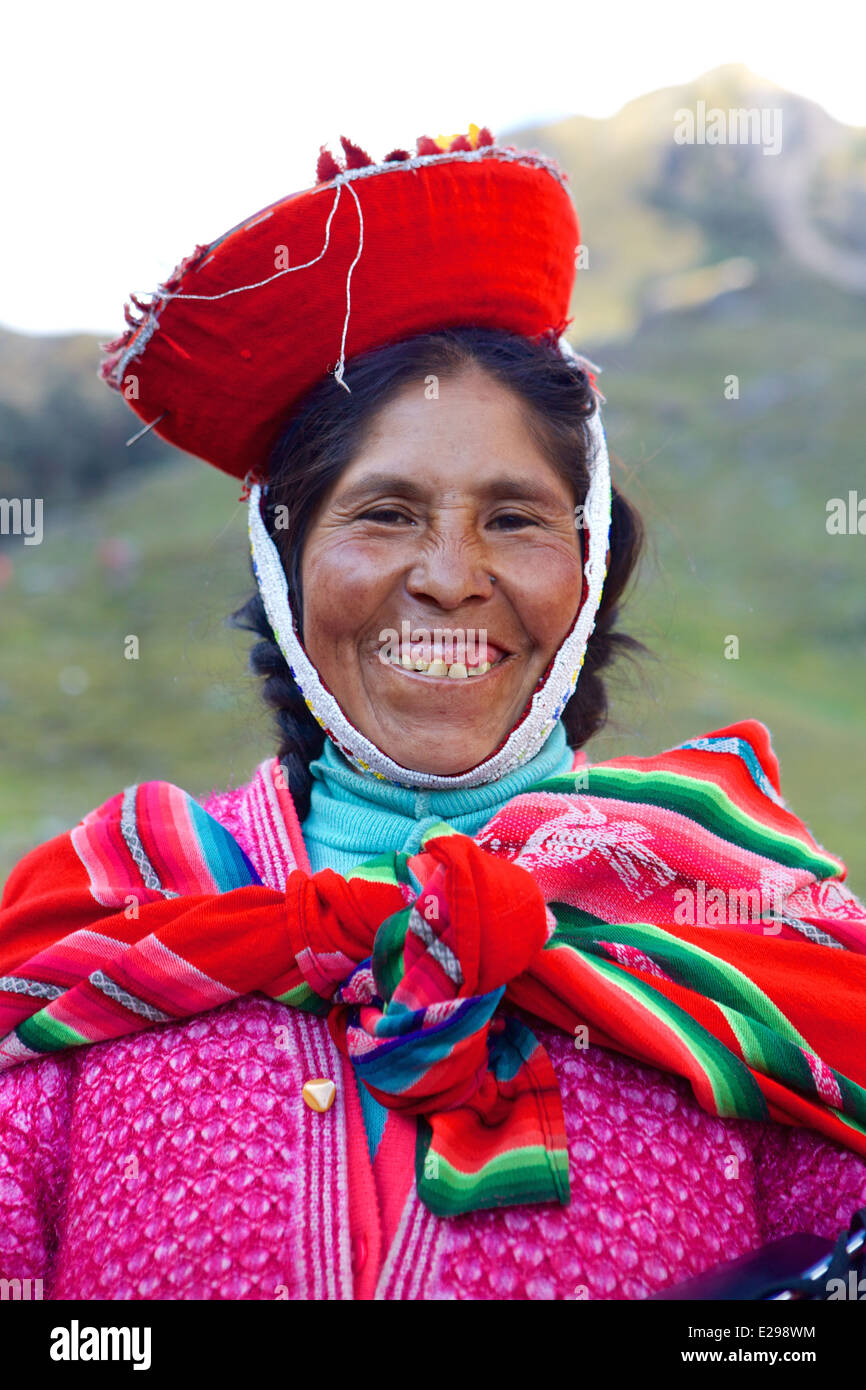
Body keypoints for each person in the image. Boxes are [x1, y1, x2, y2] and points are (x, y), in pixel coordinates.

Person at [2, 124, 866, 1302]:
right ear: (284, 561)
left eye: (513, 517)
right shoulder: (92, 929)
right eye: (385, 513)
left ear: (587, 565)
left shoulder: (752, 936)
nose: (451, 575)